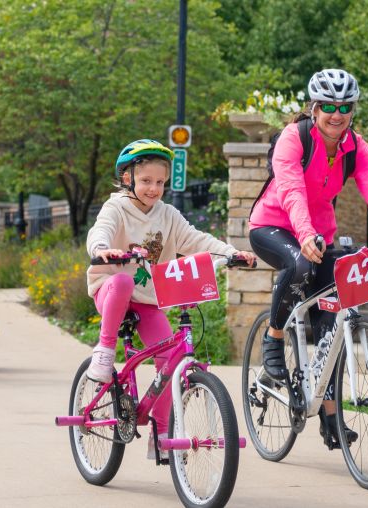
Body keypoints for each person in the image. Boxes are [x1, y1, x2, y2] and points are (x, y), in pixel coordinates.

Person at [248, 68, 368, 451]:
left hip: (318, 234)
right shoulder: (294, 139)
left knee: (330, 317)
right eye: (328, 106)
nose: (336, 114)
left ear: (353, 110)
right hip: (273, 226)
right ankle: (274, 339)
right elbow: (291, 191)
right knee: (299, 265)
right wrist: (305, 234)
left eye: (344, 107)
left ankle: (329, 417)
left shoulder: (356, 148)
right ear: (314, 107)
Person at [86, 138, 257, 459]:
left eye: (160, 182)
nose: (153, 188)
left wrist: (232, 252)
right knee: (122, 280)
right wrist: (101, 250)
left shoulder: (167, 214)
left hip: (149, 300)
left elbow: (195, 239)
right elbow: (100, 231)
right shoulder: (116, 208)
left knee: (172, 361)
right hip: (111, 292)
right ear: (128, 179)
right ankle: (105, 350)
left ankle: (161, 431)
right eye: (146, 181)